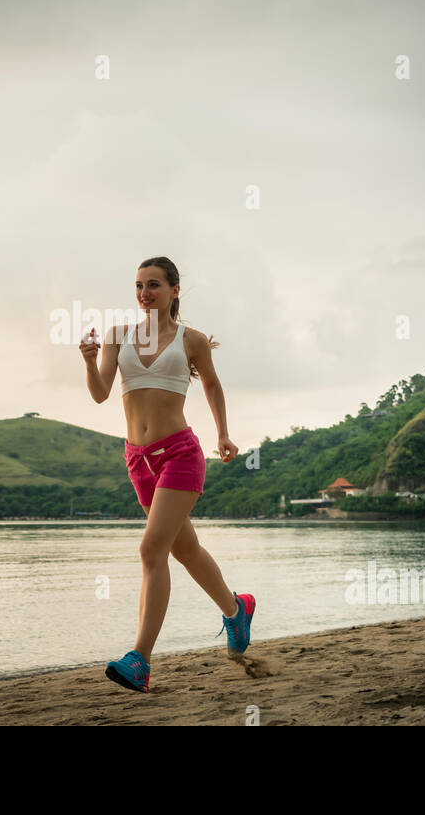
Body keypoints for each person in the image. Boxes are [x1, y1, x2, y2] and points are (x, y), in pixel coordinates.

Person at [79, 256, 253, 693]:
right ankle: (236, 610)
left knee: (151, 549)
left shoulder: (190, 340)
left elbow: (211, 384)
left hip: (179, 454)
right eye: (138, 285)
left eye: (153, 284)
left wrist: (224, 434)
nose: (143, 293)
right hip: (138, 460)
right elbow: (101, 394)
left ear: (175, 290)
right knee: (186, 549)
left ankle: (140, 659)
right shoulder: (119, 336)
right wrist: (88, 360)